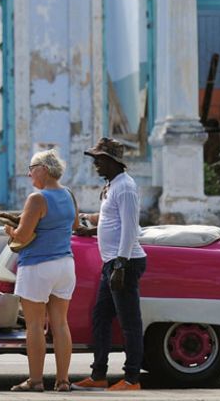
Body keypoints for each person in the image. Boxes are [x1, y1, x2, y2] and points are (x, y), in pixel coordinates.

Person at [73, 138, 147, 392]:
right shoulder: (112, 185)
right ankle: (99, 375)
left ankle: (132, 379)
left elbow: (129, 229)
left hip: (123, 262)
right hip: (113, 262)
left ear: (112, 162)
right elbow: (112, 222)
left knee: (129, 323)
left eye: (99, 160)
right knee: (100, 317)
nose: (95, 164)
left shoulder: (125, 187)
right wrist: (92, 230)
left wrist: (121, 264)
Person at [3, 149, 80, 392]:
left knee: (34, 326)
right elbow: (74, 225)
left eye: (31, 168)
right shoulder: (68, 194)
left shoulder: (37, 199)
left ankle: (36, 381)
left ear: (43, 170)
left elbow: (23, 236)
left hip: (38, 265)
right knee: (60, 324)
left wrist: (11, 231)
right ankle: (63, 380)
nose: (28, 174)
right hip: (65, 265)